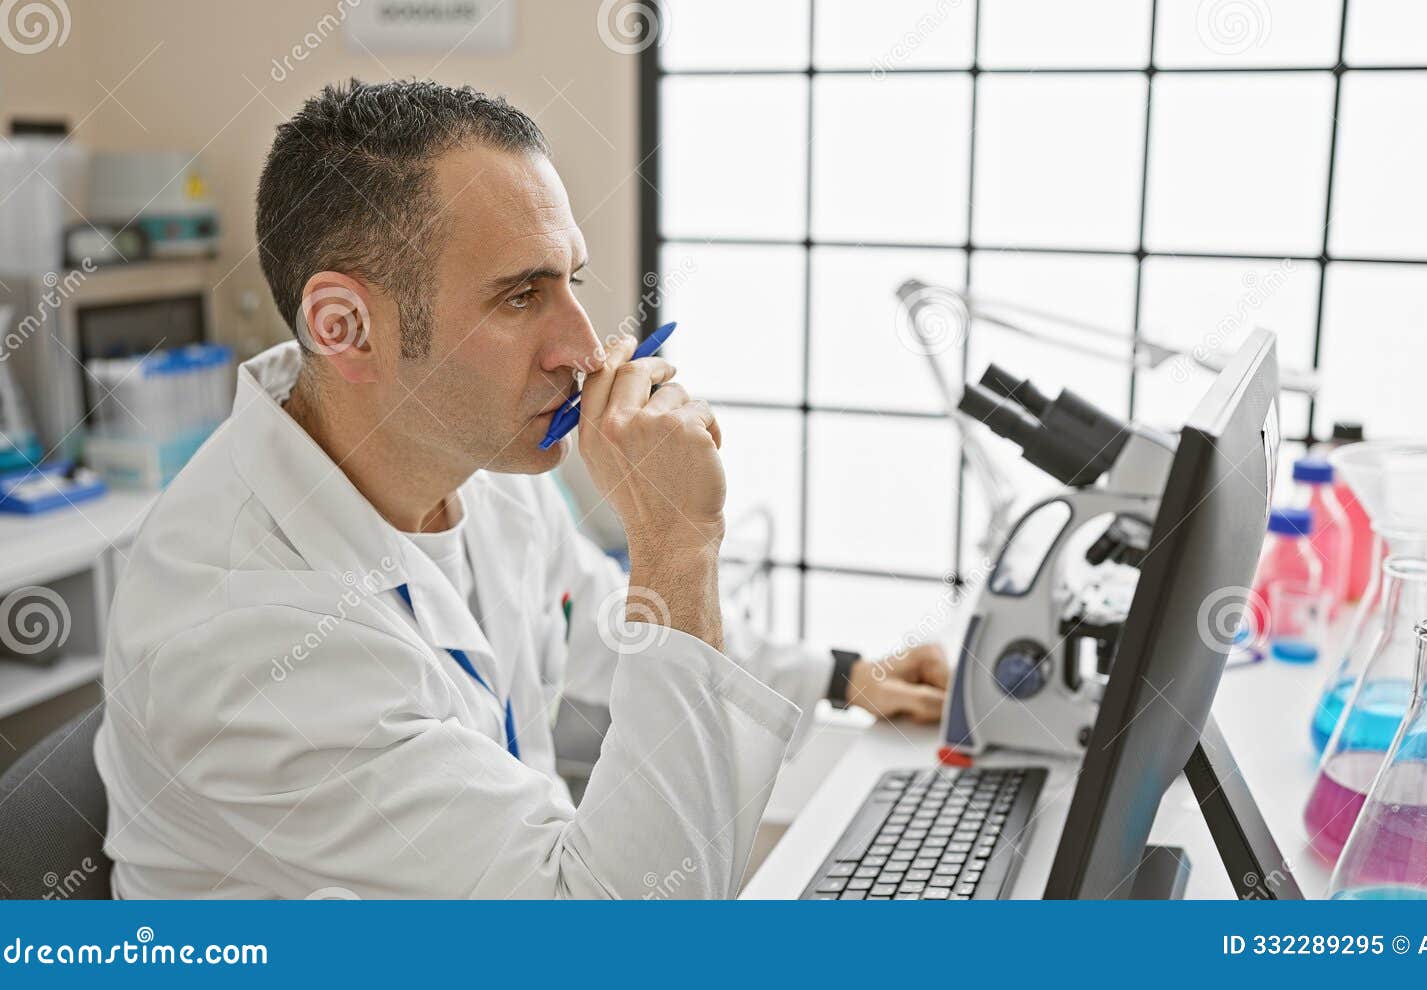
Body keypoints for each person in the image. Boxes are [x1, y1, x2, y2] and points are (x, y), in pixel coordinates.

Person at [94, 79, 950, 899]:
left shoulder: (471, 463)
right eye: (518, 297)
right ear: (342, 326)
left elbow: (600, 622)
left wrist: (841, 675)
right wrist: (676, 539)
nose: (584, 347)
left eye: (569, 282)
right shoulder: (246, 634)